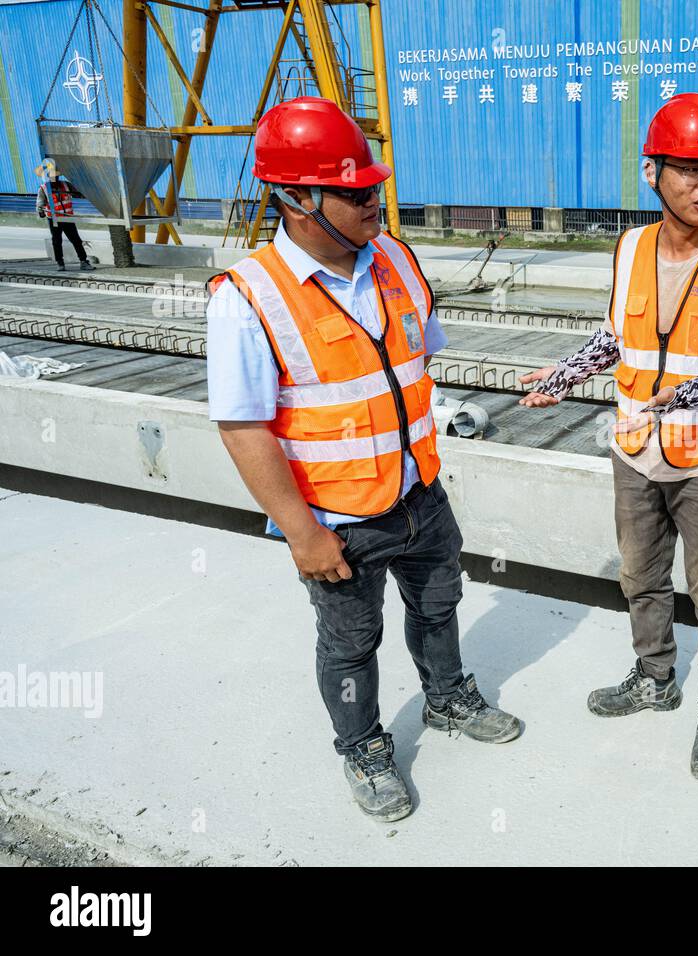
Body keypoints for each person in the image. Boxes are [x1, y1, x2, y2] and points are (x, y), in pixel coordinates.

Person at [205, 96, 520, 823]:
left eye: (373, 185)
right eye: (353, 193)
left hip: (420, 494)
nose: (373, 200)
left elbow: (416, 367)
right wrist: (300, 532)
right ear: (295, 200)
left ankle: (445, 699)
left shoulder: (398, 261)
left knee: (439, 605)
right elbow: (243, 428)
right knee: (351, 644)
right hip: (337, 521)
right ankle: (362, 746)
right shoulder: (248, 298)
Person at [517, 93, 698, 781]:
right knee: (639, 576)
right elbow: (616, 336)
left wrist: (686, 394)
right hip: (635, 450)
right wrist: (568, 373)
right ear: (653, 172)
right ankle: (654, 676)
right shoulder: (631, 246)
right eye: (690, 170)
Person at [35, 159, 93, 272]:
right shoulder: (44, 188)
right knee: (57, 241)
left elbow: (79, 194)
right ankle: (60, 263)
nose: (54, 178)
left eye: (55, 176)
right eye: (51, 176)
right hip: (54, 219)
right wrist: (40, 211)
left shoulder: (66, 185)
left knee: (76, 240)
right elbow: (40, 202)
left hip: (67, 218)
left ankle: (83, 262)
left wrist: (86, 192)